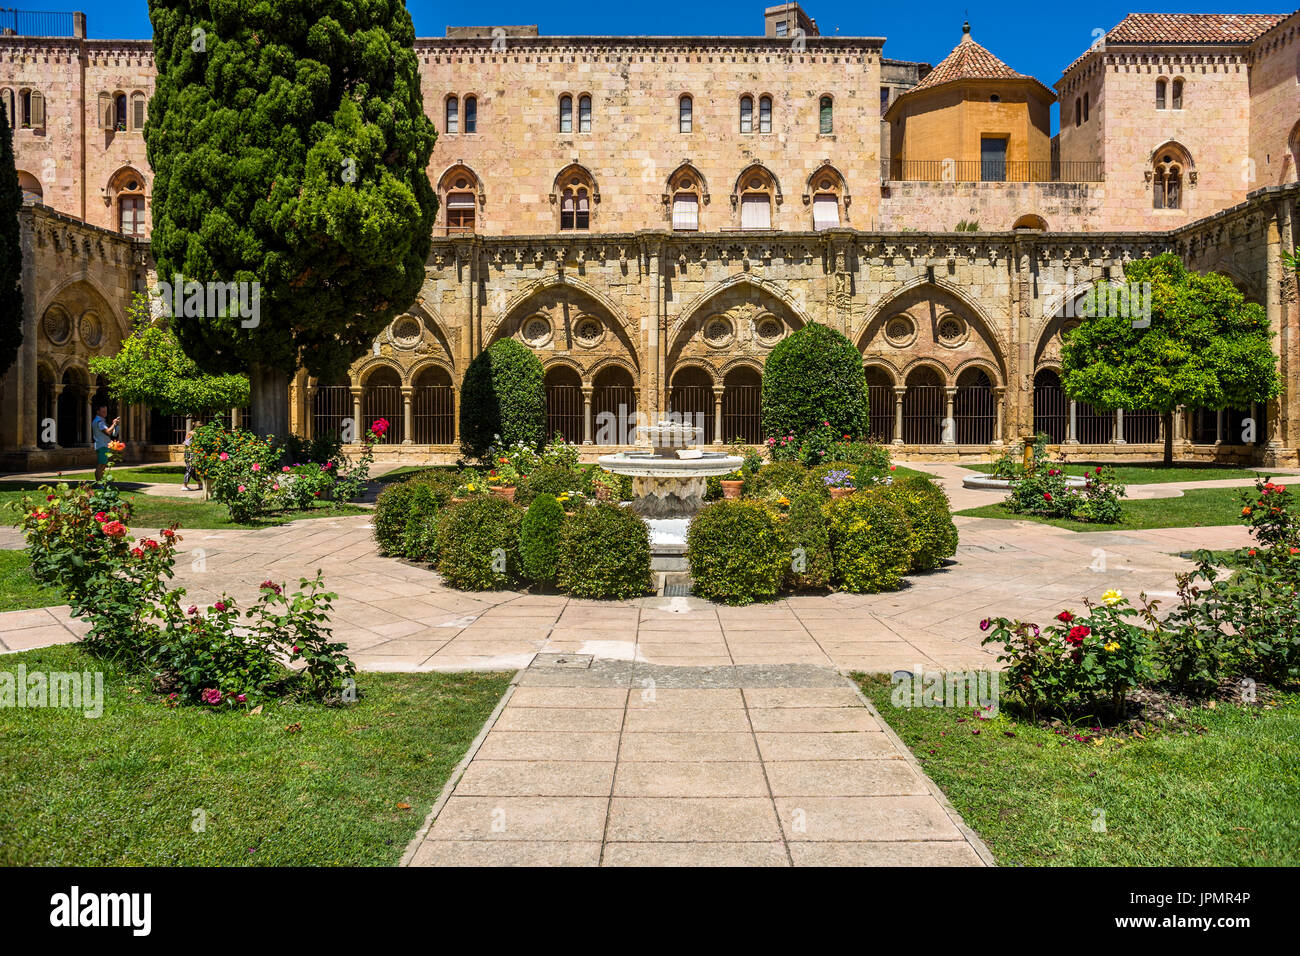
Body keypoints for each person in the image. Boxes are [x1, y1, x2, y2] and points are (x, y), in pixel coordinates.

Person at [91, 404, 120, 483]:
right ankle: (99, 483)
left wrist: (116, 425)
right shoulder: (99, 421)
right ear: (98, 411)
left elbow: (113, 434)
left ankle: (101, 482)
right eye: (103, 411)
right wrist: (114, 424)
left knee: (103, 465)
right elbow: (108, 432)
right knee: (101, 465)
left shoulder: (101, 421)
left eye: (106, 411)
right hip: (102, 446)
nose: (105, 413)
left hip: (102, 445)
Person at [181, 426, 197, 490]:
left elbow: (185, 443)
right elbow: (188, 444)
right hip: (190, 453)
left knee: (194, 469)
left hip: (189, 452)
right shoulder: (193, 434)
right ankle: (184, 485)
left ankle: (200, 484)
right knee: (189, 469)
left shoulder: (190, 433)